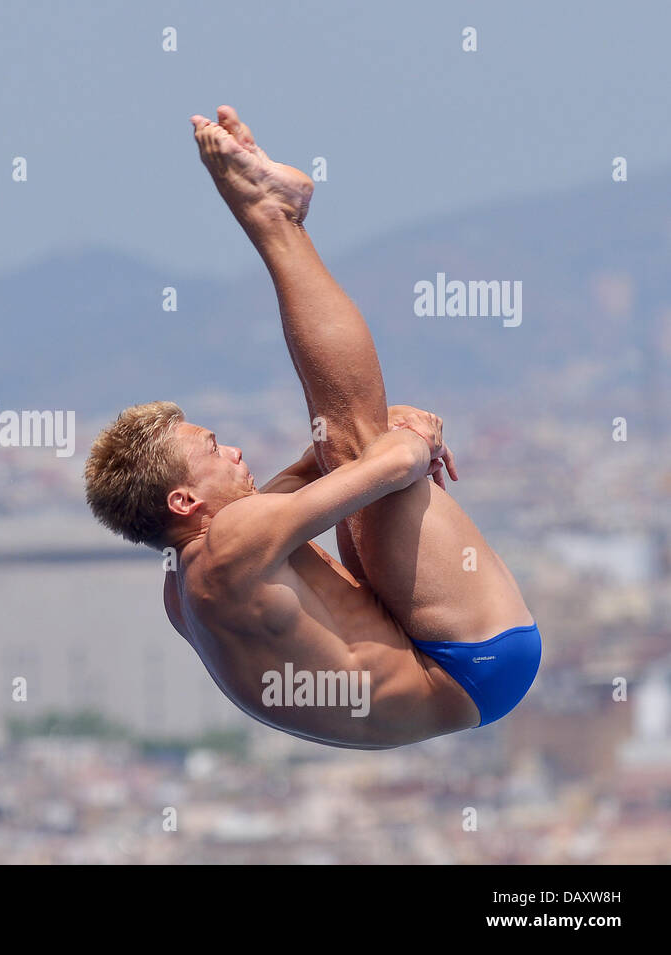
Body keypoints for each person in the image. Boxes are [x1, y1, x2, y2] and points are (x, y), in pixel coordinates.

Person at [83, 106, 540, 749]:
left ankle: (274, 215)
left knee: (345, 441)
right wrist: (415, 430)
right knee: (355, 434)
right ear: (184, 499)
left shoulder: (183, 587)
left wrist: (371, 447)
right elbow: (392, 463)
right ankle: (270, 217)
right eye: (213, 448)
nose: (234, 449)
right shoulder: (236, 537)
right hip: (470, 657)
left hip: (458, 683)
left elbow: (320, 478)